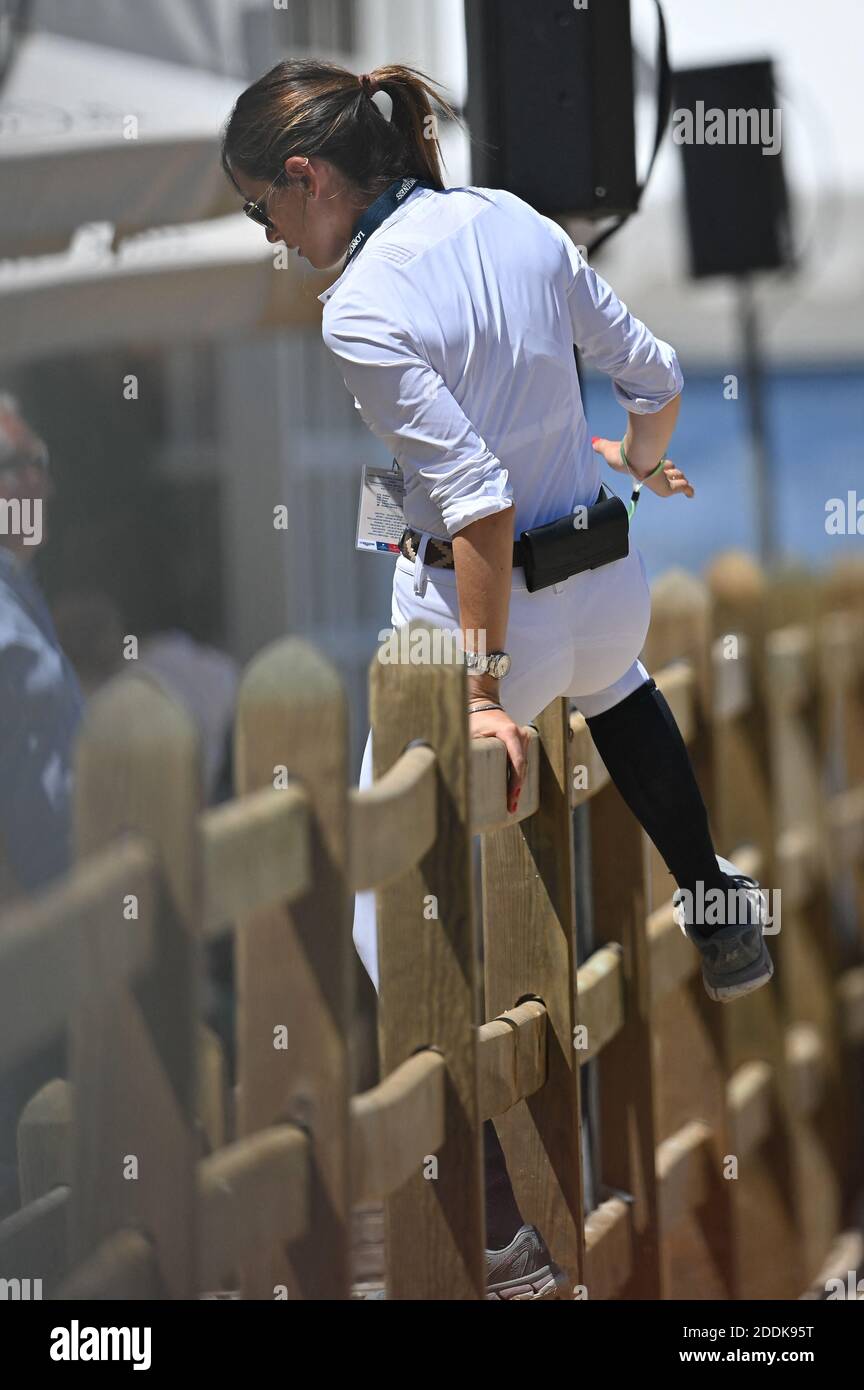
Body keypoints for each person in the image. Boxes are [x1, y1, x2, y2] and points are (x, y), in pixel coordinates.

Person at [221, 60, 774, 1297]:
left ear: (309, 180)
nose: (271, 237)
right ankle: (714, 887)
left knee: (379, 916)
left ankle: (501, 1228)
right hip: (602, 594)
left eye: (263, 211)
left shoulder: (359, 305)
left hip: (491, 624)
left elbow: (473, 500)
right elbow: (660, 376)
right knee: (621, 684)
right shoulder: (515, 215)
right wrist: (640, 461)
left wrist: (475, 692)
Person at [0, 395, 84, 1214]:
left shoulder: (16, 585)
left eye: (40, 463)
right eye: (13, 469)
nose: (37, 485)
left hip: (61, 929)